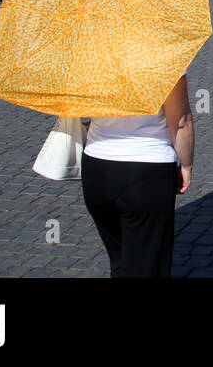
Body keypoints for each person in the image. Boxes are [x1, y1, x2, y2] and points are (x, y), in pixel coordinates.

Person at [81, 73, 194, 278]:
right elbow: (180, 121)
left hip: (96, 166)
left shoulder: (93, 56)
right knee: (146, 266)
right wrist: (186, 165)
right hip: (146, 170)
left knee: (120, 259)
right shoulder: (167, 57)